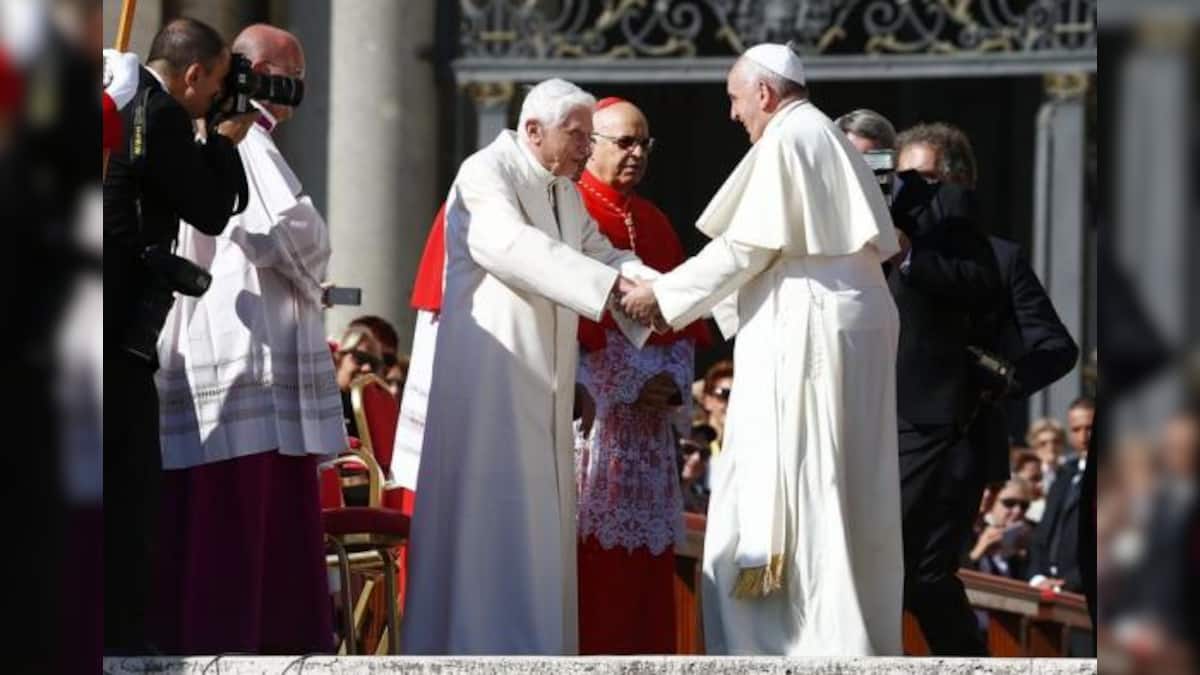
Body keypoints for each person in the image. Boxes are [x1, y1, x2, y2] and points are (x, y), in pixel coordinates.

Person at [622, 42, 903, 656]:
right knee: (846, 488)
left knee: (806, 481)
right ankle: (849, 636)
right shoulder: (820, 134)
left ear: (765, 94)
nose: (733, 113)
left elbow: (745, 250)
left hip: (810, 330)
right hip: (843, 318)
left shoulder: (789, 137)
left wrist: (662, 296)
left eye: (735, 99)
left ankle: (803, 641)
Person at [402, 78, 657, 655]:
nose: (587, 148)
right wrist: (612, 288)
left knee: (537, 526)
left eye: (589, 137)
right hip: (491, 384)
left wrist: (669, 291)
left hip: (544, 384)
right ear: (534, 130)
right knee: (491, 522)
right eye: (578, 135)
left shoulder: (564, 191)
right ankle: (477, 650)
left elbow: (603, 254)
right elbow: (508, 245)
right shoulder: (484, 172)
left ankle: (536, 649)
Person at [150, 24, 340, 654]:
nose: (297, 93)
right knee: (239, 518)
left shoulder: (217, 135)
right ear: (253, 74)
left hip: (233, 338)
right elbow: (289, 230)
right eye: (291, 76)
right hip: (241, 352)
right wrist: (318, 262)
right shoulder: (246, 139)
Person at [102, 17, 255, 654]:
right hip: (116, 334)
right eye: (217, 83)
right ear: (194, 75)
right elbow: (211, 208)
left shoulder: (115, 99)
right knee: (130, 492)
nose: (218, 95)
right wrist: (223, 140)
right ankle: (120, 645)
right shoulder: (158, 114)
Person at [838, 110, 1004, 656]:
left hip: (916, 413)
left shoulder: (941, 206)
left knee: (897, 559)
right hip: (842, 400)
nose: (863, 172)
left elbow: (980, 281)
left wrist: (908, 252)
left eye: (874, 161)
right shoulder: (817, 203)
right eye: (848, 159)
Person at [572, 96, 710, 654]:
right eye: (624, 142)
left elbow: (682, 325)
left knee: (644, 576)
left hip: (647, 435)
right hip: (592, 429)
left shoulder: (652, 220)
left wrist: (670, 383)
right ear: (590, 145)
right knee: (591, 572)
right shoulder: (571, 211)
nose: (637, 153)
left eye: (644, 143)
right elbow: (568, 325)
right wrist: (626, 385)